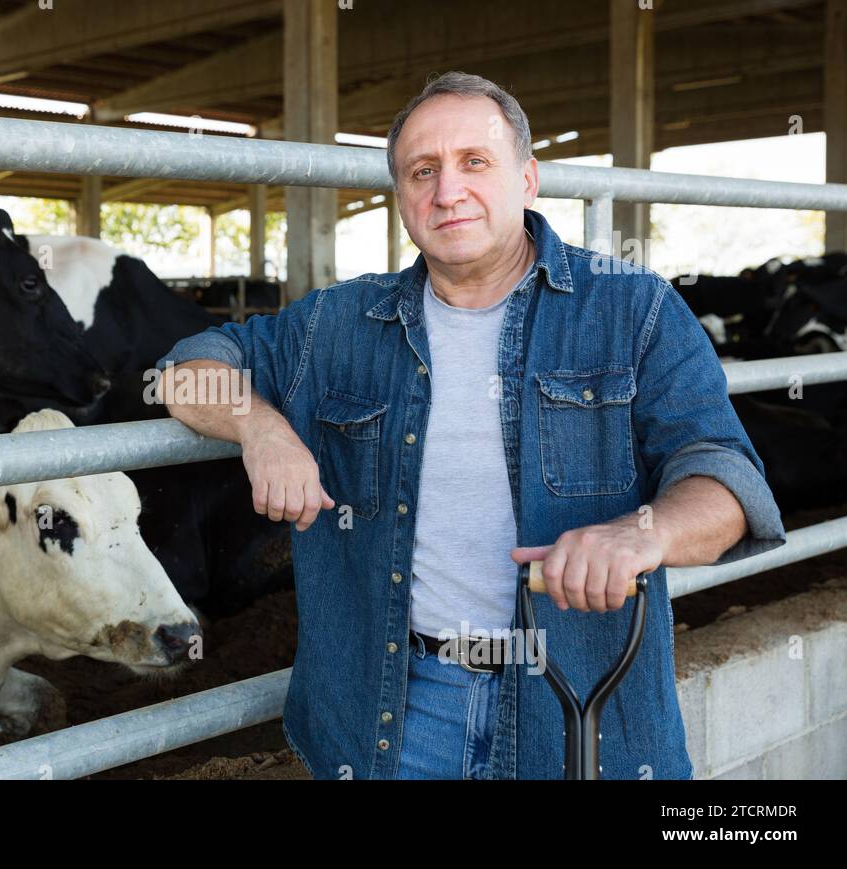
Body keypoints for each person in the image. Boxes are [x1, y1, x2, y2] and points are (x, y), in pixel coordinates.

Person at [153, 71, 786, 780]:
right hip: (402, 716)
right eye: (421, 171)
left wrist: (646, 532)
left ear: (527, 178)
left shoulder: (632, 309)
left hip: (580, 710)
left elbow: (725, 477)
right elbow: (184, 368)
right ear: (401, 198)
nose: (446, 191)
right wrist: (258, 426)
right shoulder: (338, 324)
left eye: (474, 163)